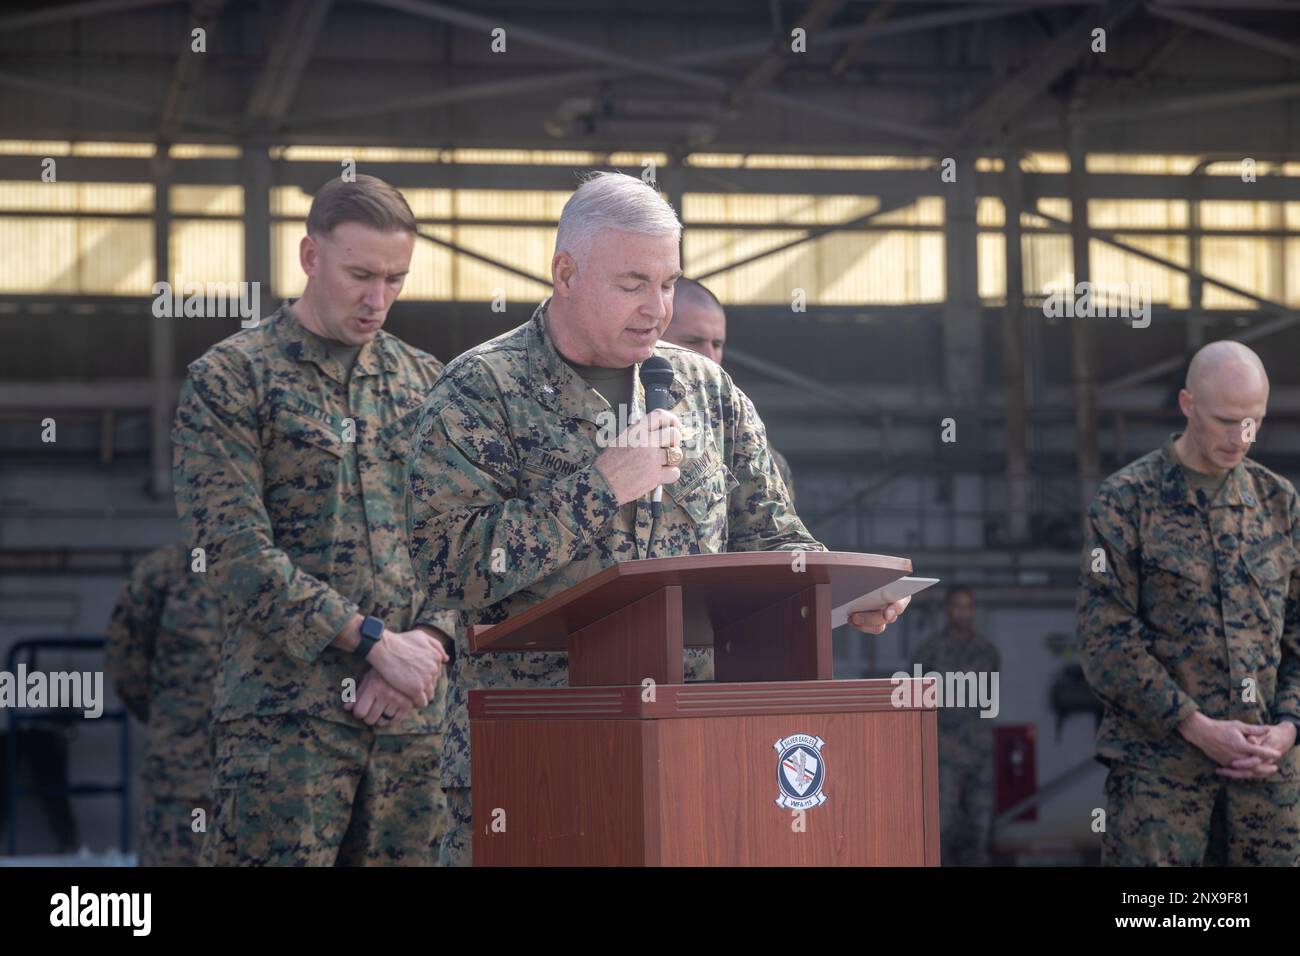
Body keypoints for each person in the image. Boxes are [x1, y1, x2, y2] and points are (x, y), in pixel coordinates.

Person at [406, 171, 910, 866]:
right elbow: (447, 566)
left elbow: (769, 535)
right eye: (633, 284)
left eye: (669, 283)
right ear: (565, 273)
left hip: (693, 757)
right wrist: (601, 485)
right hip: (537, 757)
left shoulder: (705, 389)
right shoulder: (478, 391)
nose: (658, 308)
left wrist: (838, 591)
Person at [172, 175, 454, 866]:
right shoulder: (232, 379)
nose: (378, 299)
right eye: (361, 274)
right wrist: (371, 642)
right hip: (287, 726)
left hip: (413, 723)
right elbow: (233, 551)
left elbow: (466, 543)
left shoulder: (429, 384)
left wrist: (431, 641)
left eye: (395, 278)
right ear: (308, 257)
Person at [1078, 340, 1300, 865]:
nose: (1241, 437)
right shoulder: (1126, 501)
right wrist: (1196, 727)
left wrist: (1289, 726)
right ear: (1187, 405)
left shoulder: (1279, 504)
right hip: (1161, 782)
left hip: (1266, 784)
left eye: (1254, 421)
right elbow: (1104, 641)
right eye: (1226, 420)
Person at [105, 541, 223, 865]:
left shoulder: (292, 573)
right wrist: (170, 720)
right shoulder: (164, 571)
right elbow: (126, 664)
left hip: (266, 779)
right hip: (183, 777)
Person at [662, 277, 796, 500]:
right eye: (693, 341)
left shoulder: (736, 424)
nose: (710, 358)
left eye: (717, 344)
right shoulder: (620, 411)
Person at [912, 586, 999, 866]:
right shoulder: (929, 653)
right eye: (957, 606)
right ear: (946, 610)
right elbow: (915, 704)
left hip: (979, 750)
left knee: (980, 824)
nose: (964, 612)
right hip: (944, 751)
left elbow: (988, 700)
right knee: (941, 825)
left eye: (968, 606)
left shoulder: (987, 651)